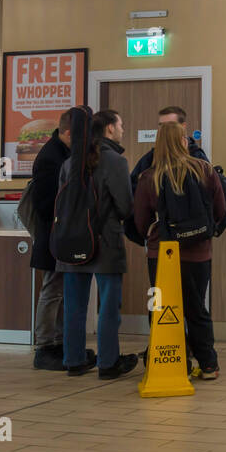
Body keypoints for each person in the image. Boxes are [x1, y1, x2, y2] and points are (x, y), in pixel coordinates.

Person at [133, 120, 226, 380]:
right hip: (199, 252)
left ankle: (175, 362)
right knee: (196, 308)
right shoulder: (205, 170)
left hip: (162, 255)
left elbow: (140, 222)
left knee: (163, 309)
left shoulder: (149, 177)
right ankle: (208, 365)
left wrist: (151, 235)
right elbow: (221, 211)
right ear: (184, 141)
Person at [56, 106, 137, 380]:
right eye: (121, 124)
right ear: (110, 128)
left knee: (74, 305)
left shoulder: (69, 163)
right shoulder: (115, 162)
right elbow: (125, 206)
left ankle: (74, 359)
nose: (123, 129)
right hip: (106, 242)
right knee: (108, 306)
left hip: (70, 241)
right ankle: (108, 362)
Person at [30, 108, 95, 371]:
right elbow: (45, 203)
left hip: (62, 234)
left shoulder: (63, 153)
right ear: (68, 132)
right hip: (53, 235)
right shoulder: (50, 157)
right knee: (52, 290)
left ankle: (58, 342)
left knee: (58, 291)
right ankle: (45, 345)